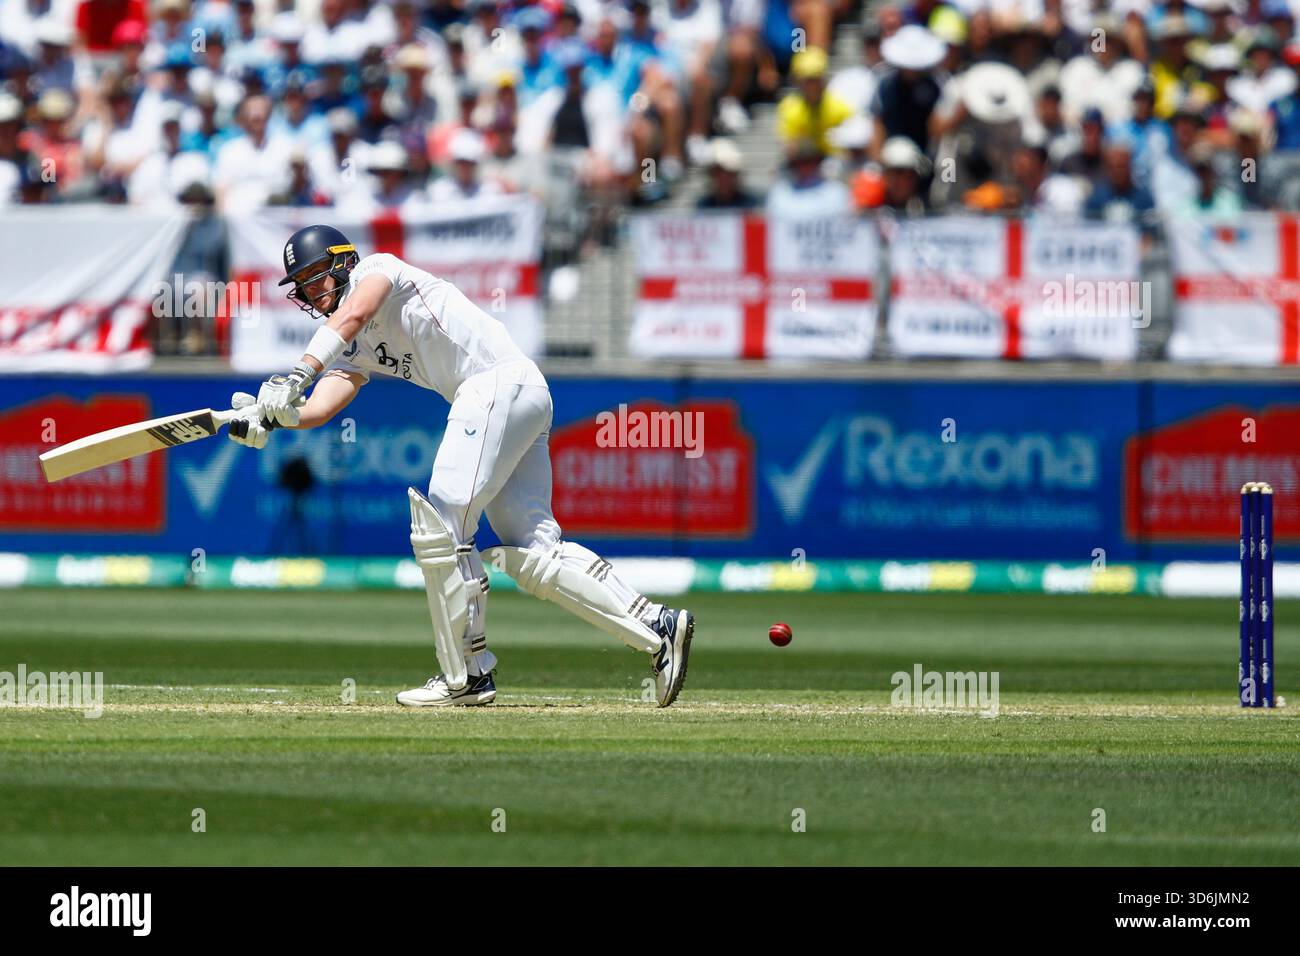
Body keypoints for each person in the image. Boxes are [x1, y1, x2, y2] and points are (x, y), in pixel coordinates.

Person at [227, 226, 695, 708]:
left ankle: (466, 675)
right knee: (532, 549)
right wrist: (279, 418)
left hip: (493, 385)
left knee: (443, 525)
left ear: (343, 263)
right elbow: (324, 406)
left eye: (315, 277)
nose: (310, 292)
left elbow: (356, 312)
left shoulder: (377, 270)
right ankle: (657, 626)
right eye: (302, 285)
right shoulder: (348, 343)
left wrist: (299, 372)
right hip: (519, 394)